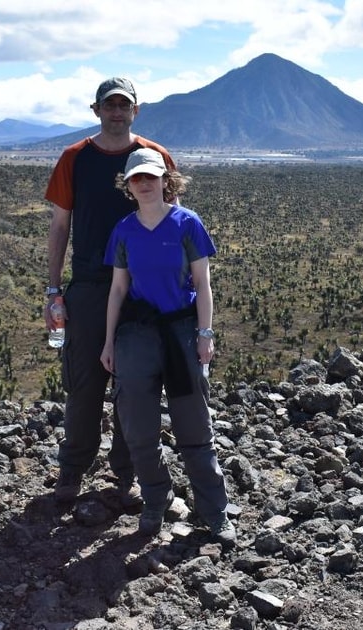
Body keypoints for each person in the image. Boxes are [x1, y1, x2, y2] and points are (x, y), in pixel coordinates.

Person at [44, 77, 177, 505]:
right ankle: (72, 471)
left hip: (144, 293)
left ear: (136, 111)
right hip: (89, 286)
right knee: (83, 383)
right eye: (110, 105)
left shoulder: (156, 157)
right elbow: (60, 226)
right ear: (96, 109)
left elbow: (174, 225)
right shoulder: (75, 158)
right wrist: (53, 291)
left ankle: (127, 473)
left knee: (134, 384)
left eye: (125, 105)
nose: (117, 112)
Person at [99, 148, 235, 544]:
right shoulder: (124, 229)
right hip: (138, 334)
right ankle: (156, 499)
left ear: (165, 180)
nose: (144, 183)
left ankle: (214, 511)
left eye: (151, 177)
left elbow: (204, 284)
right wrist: (109, 342)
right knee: (139, 427)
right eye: (136, 178)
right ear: (127, 185)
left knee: (194, 425)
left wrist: (205, 335)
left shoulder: (187, 223)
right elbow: (118, 289)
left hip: (181, 330)